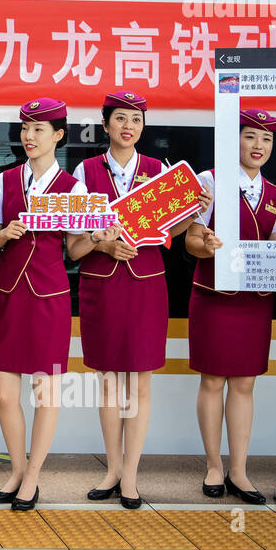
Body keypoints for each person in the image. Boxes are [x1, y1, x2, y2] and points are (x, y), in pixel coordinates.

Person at [71, 91, 209, 509]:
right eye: (120, 119)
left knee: (140, 383)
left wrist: (194, 211)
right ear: (106, 124)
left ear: (142, 128)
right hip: (102, 286)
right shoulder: (85, 170)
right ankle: (112, 469)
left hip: (147, 285)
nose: (128, 126)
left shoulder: (158, 171)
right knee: (109, 382)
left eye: (135, 119)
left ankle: (131, 474)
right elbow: (75, 246)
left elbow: (174, 234)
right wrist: (103, 245)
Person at [0, 97, 118, 511]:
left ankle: (33, 477)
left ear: (58, 136)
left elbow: (75, 251)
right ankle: (16, 469)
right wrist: (1, 235)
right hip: (8, 292)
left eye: (39, 129)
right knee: (6, 395)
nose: (30, 136)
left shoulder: (73, 187)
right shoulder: (2, 180)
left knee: (45, 393)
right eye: (25, 128)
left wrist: (98, 237)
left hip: (49, 296)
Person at [185, 109, 276, 505]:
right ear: (234, 140)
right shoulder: (209, 181)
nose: (258, 146)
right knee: (212, 381)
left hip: (255, 300)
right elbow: (191, 240)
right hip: (213, 295)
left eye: (266, 139)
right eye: (250, 136)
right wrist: (204, 245)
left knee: (245, 384)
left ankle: (239, 470)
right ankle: (213, 465)